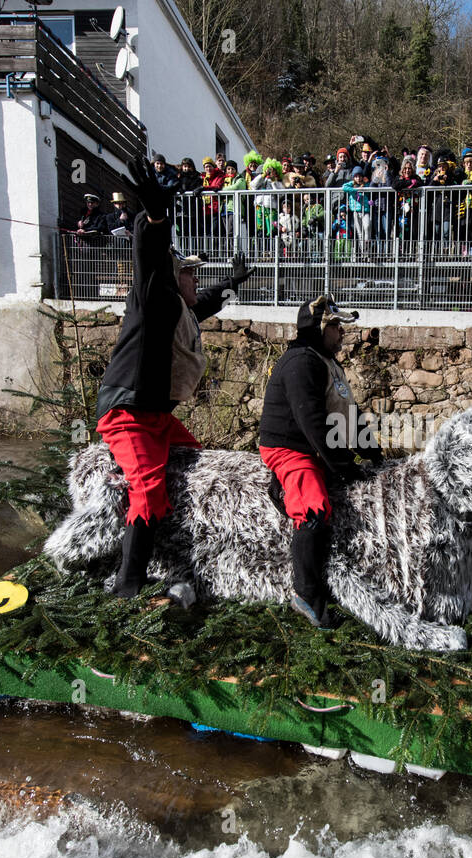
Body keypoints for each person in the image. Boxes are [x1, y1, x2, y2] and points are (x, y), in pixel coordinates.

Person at [95, 157, 253, 597]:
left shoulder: (179, 309)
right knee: (146, 490)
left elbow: (204, 302)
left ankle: (176, 548)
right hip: (129, 413)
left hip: (158, 418)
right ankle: (127, 585)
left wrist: (234, 283)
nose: (194, 278)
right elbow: (148, 255)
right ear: (171, 275)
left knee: (198, 464)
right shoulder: (152, 296)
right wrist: (156, 215)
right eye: (189, 272)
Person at [258, 296, 383, 628]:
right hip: (291, 449)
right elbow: (313, 423)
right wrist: (343, 465)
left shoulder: (327, 362)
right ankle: (306, 595)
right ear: (316, 328)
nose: (342, 332)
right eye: (335, 326)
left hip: (313, 448)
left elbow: (348, 418)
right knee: (314, 509)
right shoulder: (301, 362)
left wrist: (374, 454)